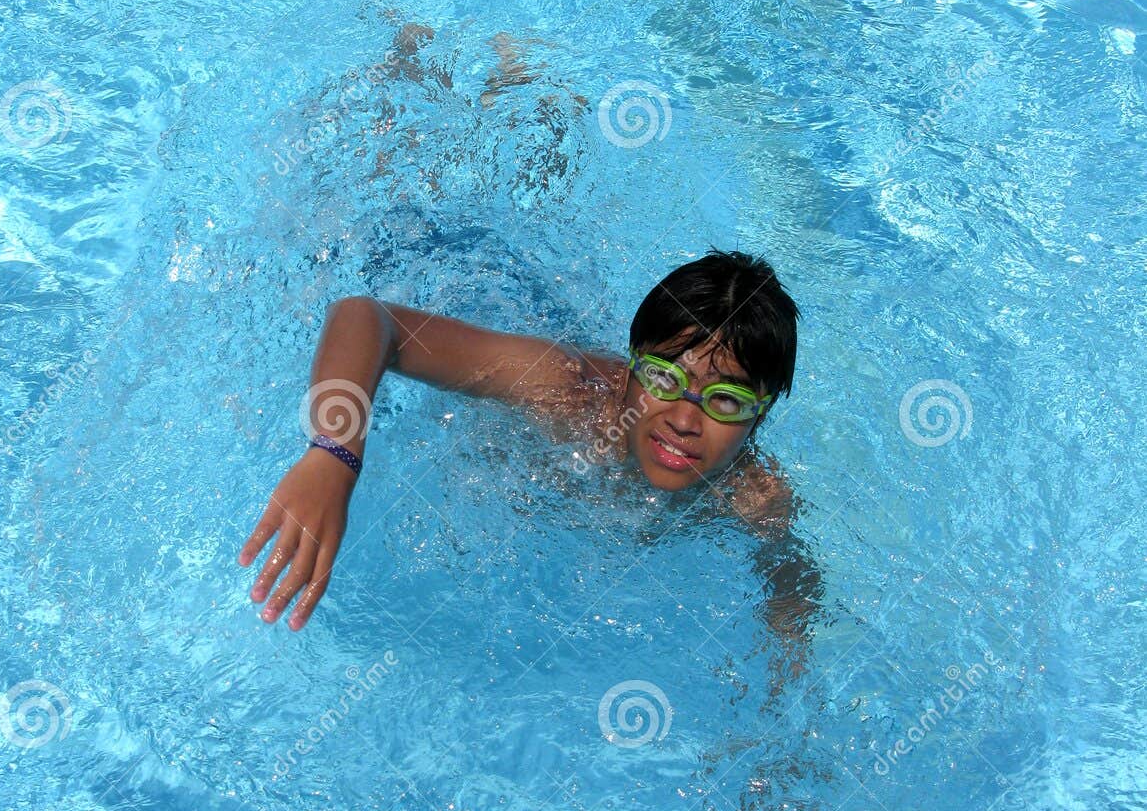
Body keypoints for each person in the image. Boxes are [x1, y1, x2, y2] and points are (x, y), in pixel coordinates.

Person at [240, 250, 800, 631]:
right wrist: (334, 454)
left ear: (762, 413)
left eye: (727, 400)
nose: (684, 418)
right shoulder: (563, 391)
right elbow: (366, 317)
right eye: (663, 377)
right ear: (630, 368)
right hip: (460, 275)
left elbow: (793, 601)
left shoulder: (754, 499)